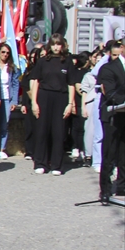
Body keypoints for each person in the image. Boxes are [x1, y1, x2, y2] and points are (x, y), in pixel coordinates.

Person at [29, 35, 78, 175]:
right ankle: (40, 162)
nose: (56, 47)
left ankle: (57, 165)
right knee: (42, 130)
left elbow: (71, 84)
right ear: (49, 46)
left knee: (59, 132)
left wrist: (70, 103)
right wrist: (34, 102)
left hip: (61, 97)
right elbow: (36, 81)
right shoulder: (43, 61)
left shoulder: (67, 62)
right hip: (44, 96)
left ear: (62, 46)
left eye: (59, 44)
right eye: (54, 44)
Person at [96, 39, 125, 201]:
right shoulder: (108, 68)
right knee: (110, 152)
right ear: (122, 48)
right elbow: (112, 93)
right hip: (112, 115)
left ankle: (122, 185)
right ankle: (105, 189)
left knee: (123, 152)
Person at [0, 42, 20, 159]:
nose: (5, 55)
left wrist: (14, 101)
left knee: (4, 124)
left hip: (7, 98)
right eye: (3, 52)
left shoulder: (12, 68)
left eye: (7, 53)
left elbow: (15, 84)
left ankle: (2, 149)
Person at [82, 47, 105, 172]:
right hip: (91, 102)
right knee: (90, 130)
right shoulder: (89, 75)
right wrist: (83, 106)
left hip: (103, 102)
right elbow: (84, 92)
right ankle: (88, 155)